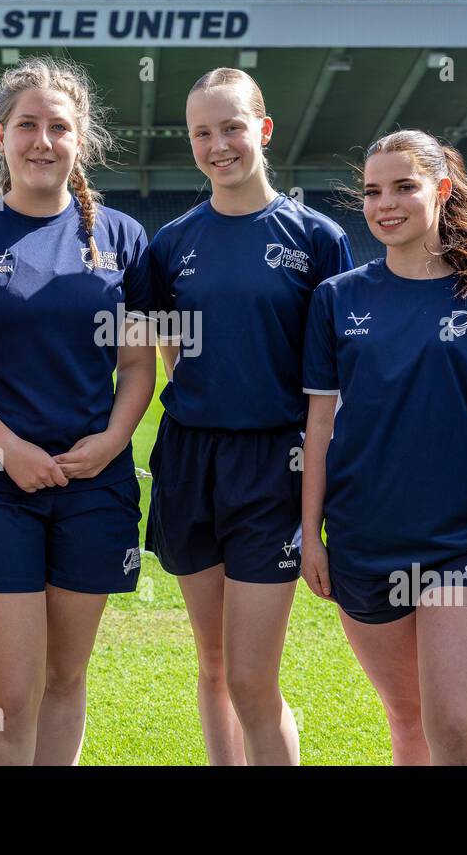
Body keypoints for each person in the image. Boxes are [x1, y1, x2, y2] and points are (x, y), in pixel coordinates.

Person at [0, 56, 155, 765]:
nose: (42, 140)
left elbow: (139, 365)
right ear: (1, 137)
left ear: (82, 139)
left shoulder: (125, 239)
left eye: (59, 126)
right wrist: (7, 450)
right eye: (28, 126)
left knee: (65, 678)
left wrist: (113, 440)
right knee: (10, 694)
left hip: (95, 486)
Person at [300, 129, 467, 765]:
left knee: (456, 726)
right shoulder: (337, 299)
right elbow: (319, 425)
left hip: (466, 538)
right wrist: (310, 533)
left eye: (404, 186)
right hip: (364, 538)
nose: (386, 204)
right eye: (373, 191)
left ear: (442, 190)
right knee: (407, 722)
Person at [145, 68, 353, 765]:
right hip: (189, 460)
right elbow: (165, 351)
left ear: (263, 129)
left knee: (250, 677)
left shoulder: (317, 239)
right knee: (210, 662)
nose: (218, 144)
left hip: (276, 467)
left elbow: (335, 380)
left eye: (231, 126)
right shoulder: (168, 244)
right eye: (201, 132)